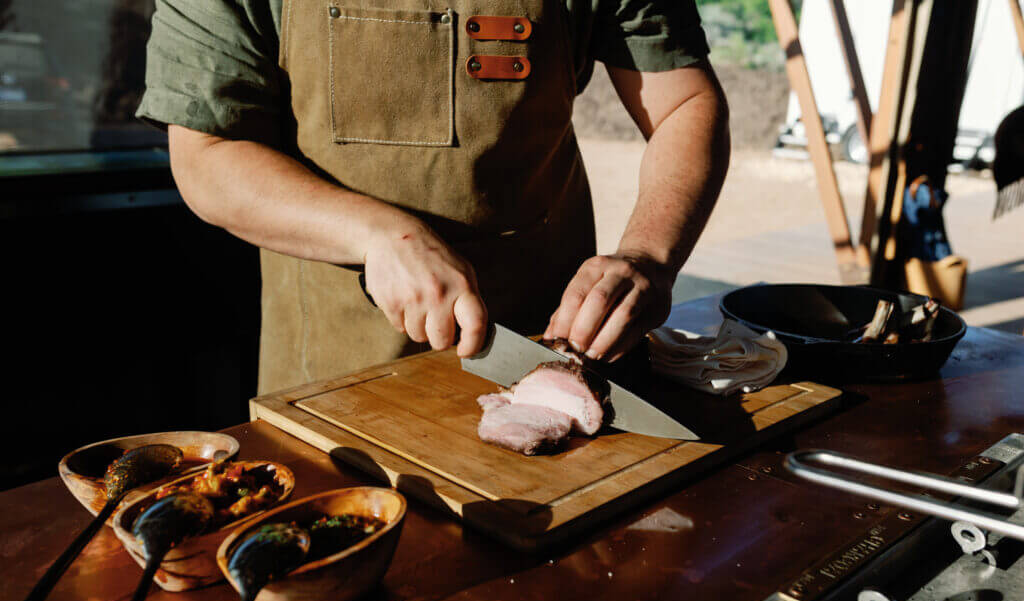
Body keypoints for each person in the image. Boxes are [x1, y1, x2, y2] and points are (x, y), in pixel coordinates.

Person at [137, 0, 730, 393]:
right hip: (333, 377)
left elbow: (684, 104)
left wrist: (649, 254)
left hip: (549, 355)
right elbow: (206, 155)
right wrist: (376, 236)